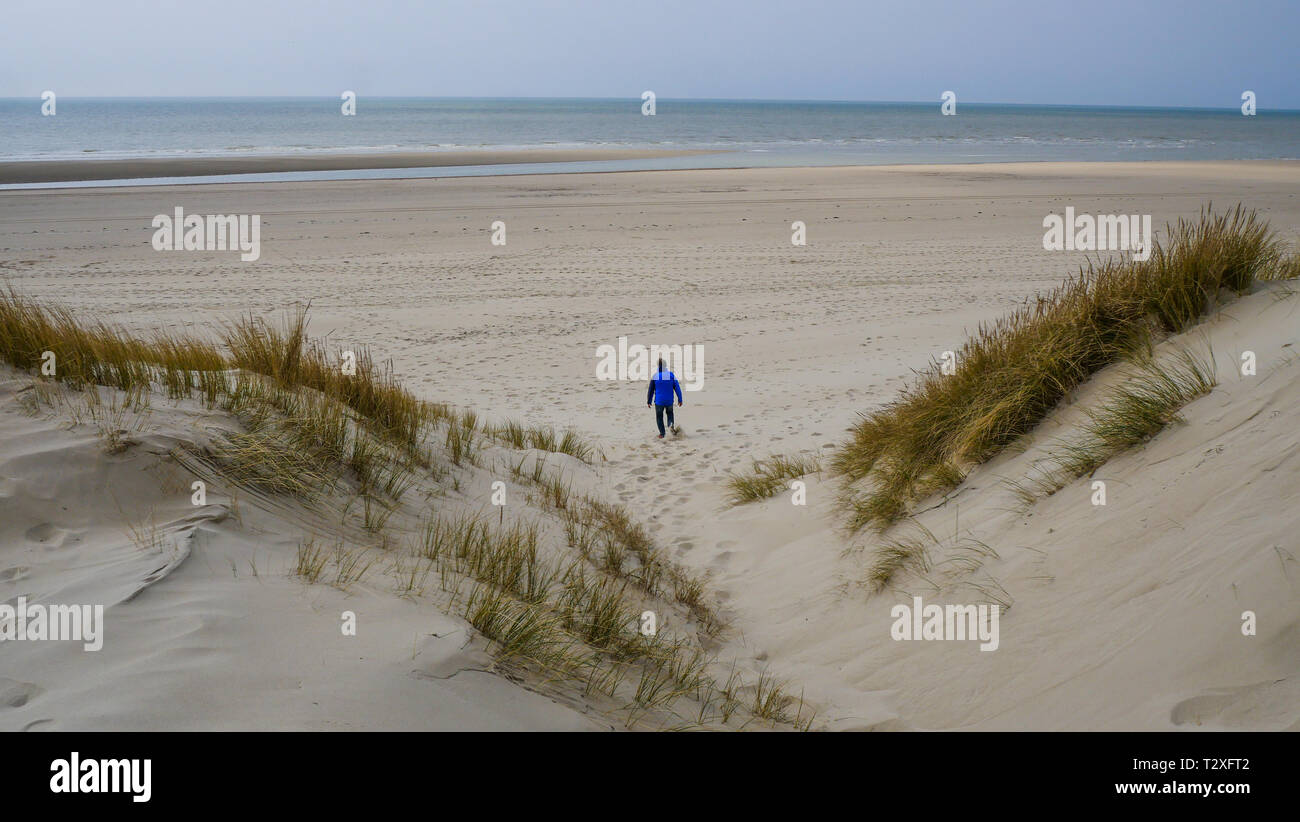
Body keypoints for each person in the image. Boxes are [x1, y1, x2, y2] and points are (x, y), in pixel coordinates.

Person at [647, 358, 683, 438]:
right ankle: (671, 428)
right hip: (669, 401)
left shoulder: (655, 376)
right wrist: (680, 399)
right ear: (666, 366)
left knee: (659, 417)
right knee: (670, 414)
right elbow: (677, 387)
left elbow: (651, 390)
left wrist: (649, 401)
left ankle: (662, 434)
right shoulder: (671, 375)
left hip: (659, 402)